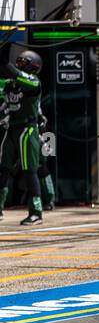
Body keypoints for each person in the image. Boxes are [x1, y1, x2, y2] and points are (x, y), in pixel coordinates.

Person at [0, 51, 45, 225]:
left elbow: (14, 73)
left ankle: (36, 212)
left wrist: (4, 60)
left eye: (23, 61)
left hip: (28, 130)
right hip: (11, 128)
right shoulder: (11, 84)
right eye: (17, 61)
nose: (18, 63)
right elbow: (6, 102)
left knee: (29, 170)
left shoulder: (34, 81)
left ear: (33, 65)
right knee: (3, 169)